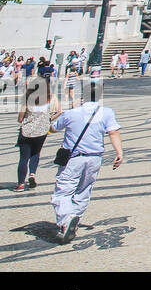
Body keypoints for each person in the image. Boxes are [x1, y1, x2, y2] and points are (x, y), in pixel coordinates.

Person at [49, 88, 122, 244]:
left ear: (83, 97)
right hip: (94, 159)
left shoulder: (72, 113)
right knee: (84, 189)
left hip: (73, 158)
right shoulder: (107, 112)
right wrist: (119, 153)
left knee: (63, 190)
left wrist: (70, 109)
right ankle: (74, 219)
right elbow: (114, 132)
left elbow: (52, 128)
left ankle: (66, 221)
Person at [15, 78, 57, 192]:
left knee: (23, 158)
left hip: (27, 132)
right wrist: (47, 120)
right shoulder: (50, 100)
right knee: (36, 153)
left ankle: (20, 184)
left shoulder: (28, 100)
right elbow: (58, 112)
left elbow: (20, 119)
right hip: (41, 132)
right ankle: (32, 174)